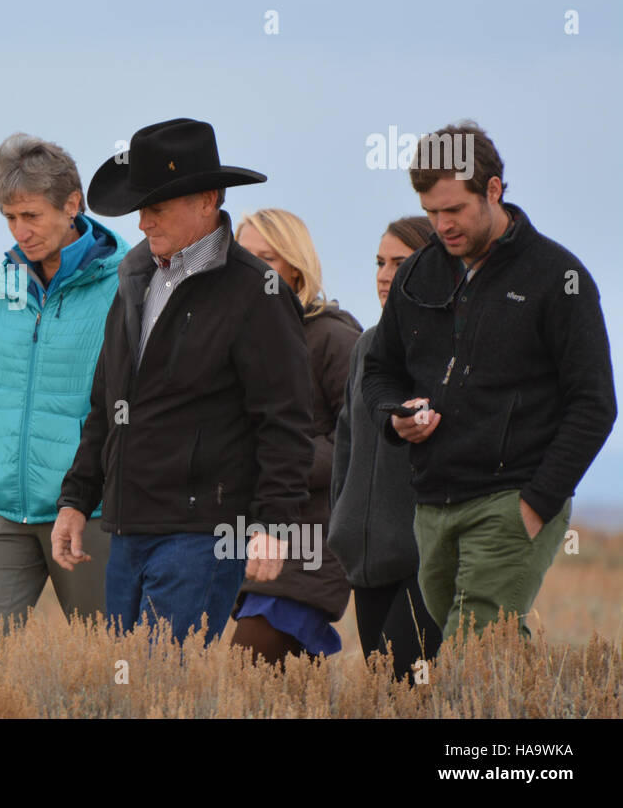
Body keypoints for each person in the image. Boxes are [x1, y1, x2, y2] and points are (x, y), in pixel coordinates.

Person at [51, 118, 313, 645]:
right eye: (140, 207)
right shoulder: (133, 277)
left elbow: (284, 420)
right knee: (125, 688)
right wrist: (76, 499)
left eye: (157, 207)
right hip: (126, 528)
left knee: (164, 686)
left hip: (203, 533)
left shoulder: (255, 292)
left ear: (207, 199)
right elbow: (106, 403)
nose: (144, 222)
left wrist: (271, 523)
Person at [362, 121, 616, 641]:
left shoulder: (559, 278)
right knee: (479, 651)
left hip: (511, 499)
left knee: (471, 650)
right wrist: (395, 416)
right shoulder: (419, 273)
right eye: (432, 212)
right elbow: (380, 370)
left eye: (454, 210)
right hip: (431, 503)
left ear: (493, 190)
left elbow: (595, 404)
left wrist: (537, 504)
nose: (442, 225)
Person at [0, 133, 130, 644]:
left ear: (72, 204)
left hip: (88, 511)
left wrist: (98, 479)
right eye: (10, 218)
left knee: (110, 664)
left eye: (30, 215)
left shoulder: (126, 280)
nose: (19, 231)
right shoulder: (4, 281)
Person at [231, 209, 361, 665]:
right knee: (273, 688)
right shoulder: (236, 337)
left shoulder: (332, 337)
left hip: (312, 541)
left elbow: (360, 438)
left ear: (295, 265)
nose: (253, 268)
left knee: (250, 667)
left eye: (266, 257)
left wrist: (280, 464)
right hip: (245, 538)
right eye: (243, 256)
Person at [329, 215, 444, 680]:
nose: (383, 274)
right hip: (366, 556)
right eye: (379, 261)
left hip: (426, 557)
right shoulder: (367, 347)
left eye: (399, 262)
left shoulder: (450, 348)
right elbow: (346, 444)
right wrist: (343, 518)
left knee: (404, 685)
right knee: (385, 693)